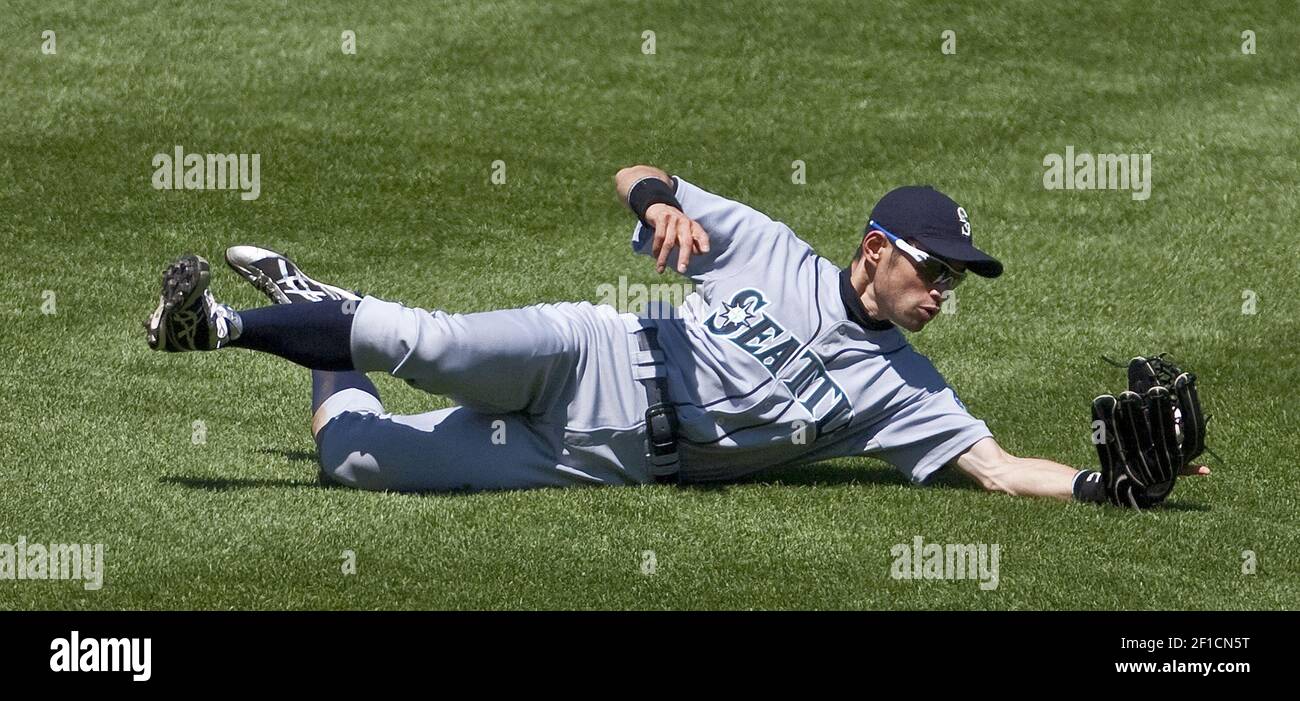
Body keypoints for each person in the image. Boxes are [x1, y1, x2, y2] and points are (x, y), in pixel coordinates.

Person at [144, 165, 1208, 500]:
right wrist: (656, 199)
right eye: (931, 268)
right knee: (428, 343)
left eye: (953, 278)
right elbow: (630, 170)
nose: (941, 290)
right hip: (589, 351)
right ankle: (223, 322)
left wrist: (1097, 485)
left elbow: (993, 465)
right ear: (874, 248)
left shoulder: (904, 388)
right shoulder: (771, 250)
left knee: (353, 460)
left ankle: (313, 305)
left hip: (587, 458)